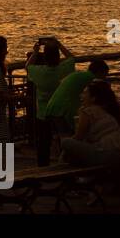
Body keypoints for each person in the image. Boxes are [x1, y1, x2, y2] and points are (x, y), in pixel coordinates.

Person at [25, 36, 76, 166]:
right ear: (58, 57)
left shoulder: (39, 72)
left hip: (43, 112)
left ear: (45, 58)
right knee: (64, 137)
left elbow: (28, 66)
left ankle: (43, 166)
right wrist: (58, 44)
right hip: (61, 110)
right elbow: (71, 58)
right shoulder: (64, 69)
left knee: (43, 142)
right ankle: (67, 162)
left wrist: (35, 52)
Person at [60, 81, 120, 167]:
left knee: (65, 142)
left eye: (84, 93)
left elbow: (79, 137)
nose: (81, 96)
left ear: (93, 98)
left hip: (105, 153)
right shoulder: (107, 110)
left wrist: (63, 152)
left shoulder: (88, 111)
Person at [44, 59, 109, 134]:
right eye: (104, 75)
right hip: (62, 112)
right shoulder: (92, 79)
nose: (105, 78)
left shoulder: (77, 75)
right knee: (67, 137)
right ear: (99, 72)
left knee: (58, 139)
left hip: (51, 108)